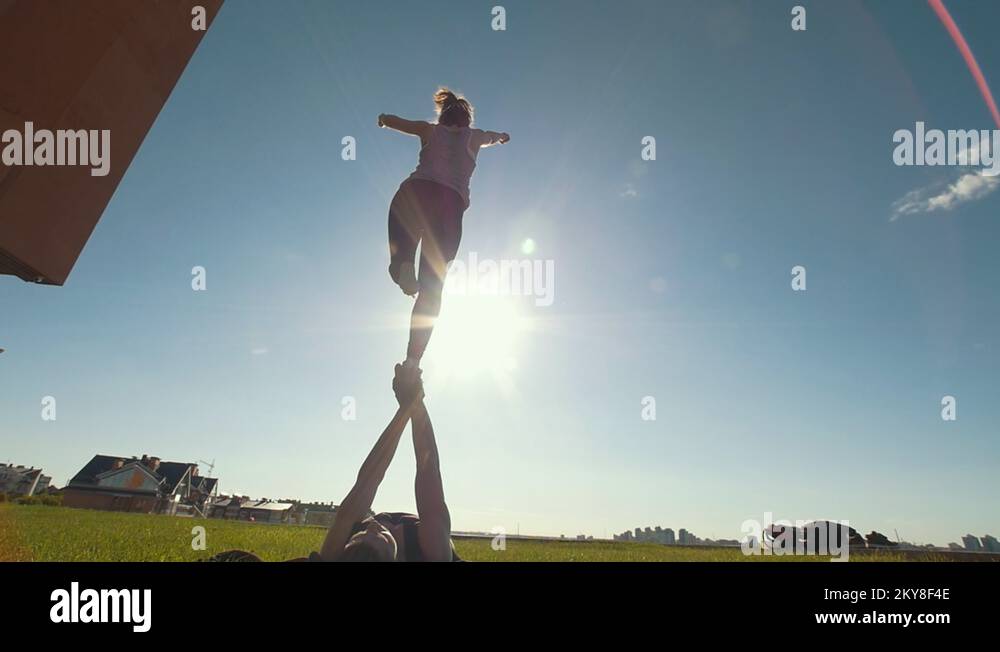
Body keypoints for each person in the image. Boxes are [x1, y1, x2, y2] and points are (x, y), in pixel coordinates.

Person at [205, 365, 457, 563]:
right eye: (379, 538)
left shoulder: (336, 554)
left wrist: (404, 410)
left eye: (359, 537)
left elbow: (369, 479)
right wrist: (415, 403)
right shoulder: (433, 553)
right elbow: (428, 469)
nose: (372, 529)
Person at [379, 87, 509, 379]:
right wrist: (501, 137)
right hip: (450, 209)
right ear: (467, 120)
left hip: (415, 194)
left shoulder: (429, 130)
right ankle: (413, 362)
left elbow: (400, 122)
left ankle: (401, 265)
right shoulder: (475, 137)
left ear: (444, 115)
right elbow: (492, 138)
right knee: (432, 289)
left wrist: (384, 118)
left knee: (402, 244)